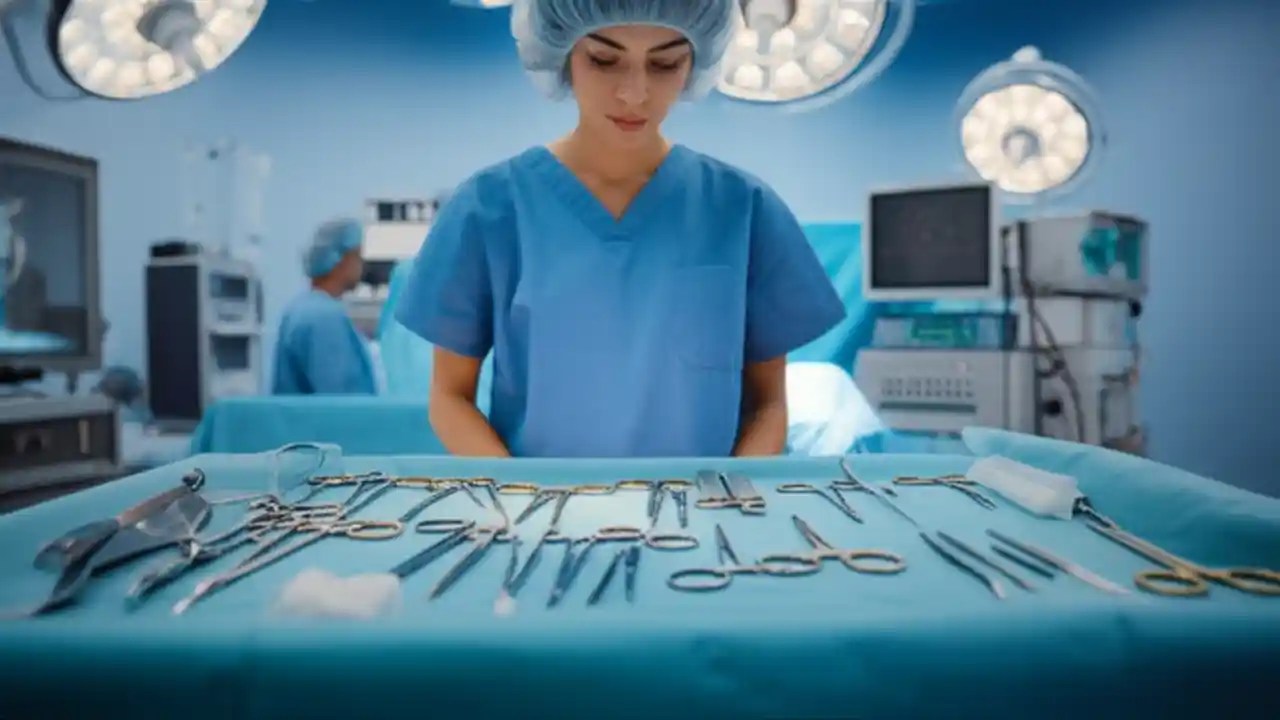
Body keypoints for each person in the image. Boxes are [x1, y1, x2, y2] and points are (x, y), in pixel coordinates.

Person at [395, 0, 846, 458]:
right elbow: (450, 397)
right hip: (539, 517)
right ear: (563, 55)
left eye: (665, 63)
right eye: (604, 60)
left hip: (698, 516)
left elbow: (767, 404)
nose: (635, 93)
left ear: (695, 64)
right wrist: (522, 499)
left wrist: (729, 501)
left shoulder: (743, 209)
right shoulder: (490, 207)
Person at [271, 218, 377, 395]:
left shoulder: (299, 309)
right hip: (320, 423)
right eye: (357, 256)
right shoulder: (324, 317)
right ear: (339, 260)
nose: (361, 265)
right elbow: (340, 398)